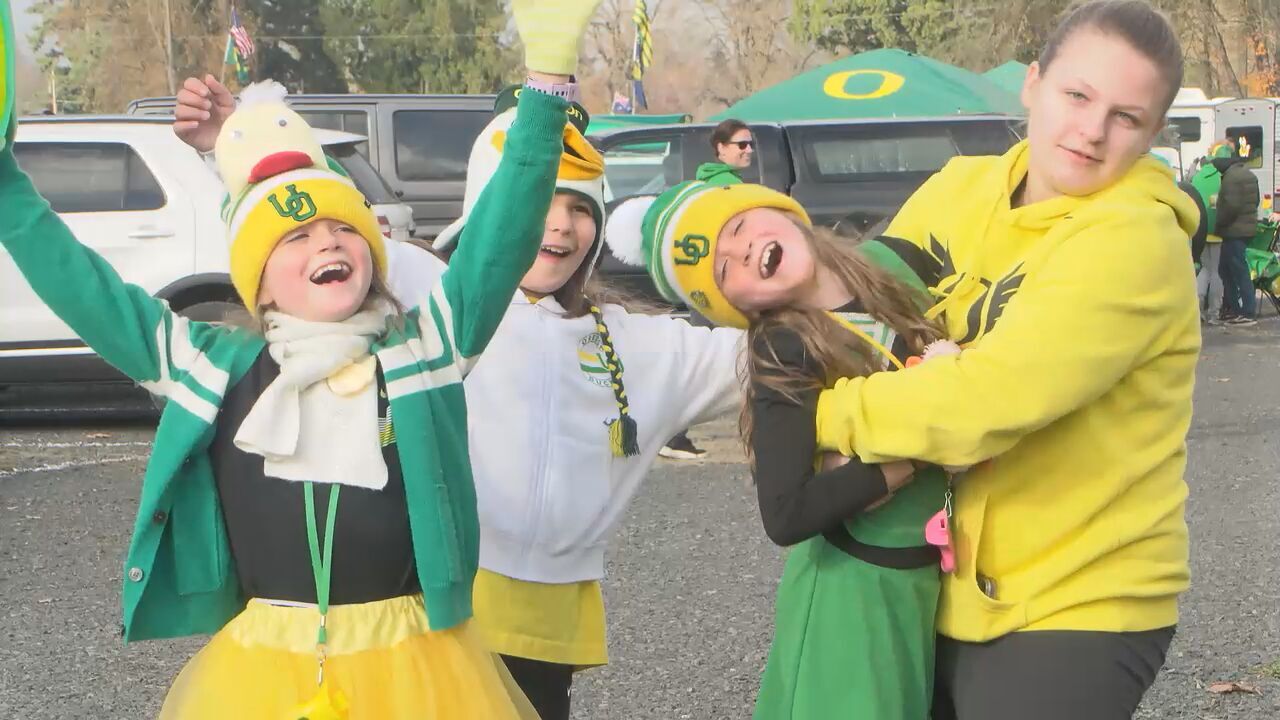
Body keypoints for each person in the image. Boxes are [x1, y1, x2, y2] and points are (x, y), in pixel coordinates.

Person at [0, 3, 593, 717]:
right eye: (297, 237)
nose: (327, 245)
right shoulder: (210, 363)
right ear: (255, 277)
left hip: (419, 669)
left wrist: (546, 85)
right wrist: (4, 186)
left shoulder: (425, 349)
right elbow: (85, 289)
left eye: (343, 228)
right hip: (259, 671)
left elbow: (501, 237)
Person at [174, 45, 743, 720]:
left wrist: (863, 327)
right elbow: (313, 230)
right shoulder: (430, 295)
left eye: (579, 207)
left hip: (551, 620)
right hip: (441, 606)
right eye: (544, 203)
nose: (558, 222)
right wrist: (241, 142)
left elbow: (757, 360)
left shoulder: (640, 342)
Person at [813, 2, 1198, 718]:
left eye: (1126, 117)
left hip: (1076, 599)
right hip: (938, 580)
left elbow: (984, 404)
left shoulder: (1136, 241)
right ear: (1032, 83)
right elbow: (857, 321)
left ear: (1150, 136)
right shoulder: (960, 188)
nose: (1090, 130)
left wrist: (817, 413)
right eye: (1077, 95)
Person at [608, 182, 953, 719]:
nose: (741, 250)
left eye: (738, 226)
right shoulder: (783, 348)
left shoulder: (896, 267)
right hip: (856, 601)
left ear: (778, 209)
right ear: (737, 307)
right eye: (724, 271)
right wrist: (909, 459)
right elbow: (785, 513)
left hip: (940, 584)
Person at [657, 117, 755, 461]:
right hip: (722, 286)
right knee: (748, 356)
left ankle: (673, 432)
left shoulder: (703, 183)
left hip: (703, 284)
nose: (748, 150)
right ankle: (673, 433)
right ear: (721, 149)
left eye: (750, 144)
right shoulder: (728, 189)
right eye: (741, 145)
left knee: (710, 360)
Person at [1209, 141, 1261, 325]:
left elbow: (1230, 207)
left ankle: (1246, 312)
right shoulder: (1248, 174)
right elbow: (1255, 202)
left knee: (1238, 271)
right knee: (1227, 269)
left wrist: (1218, 223)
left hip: (1233, 231)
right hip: (1246, 229)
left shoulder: (1231, 178)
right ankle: (1235, 309)